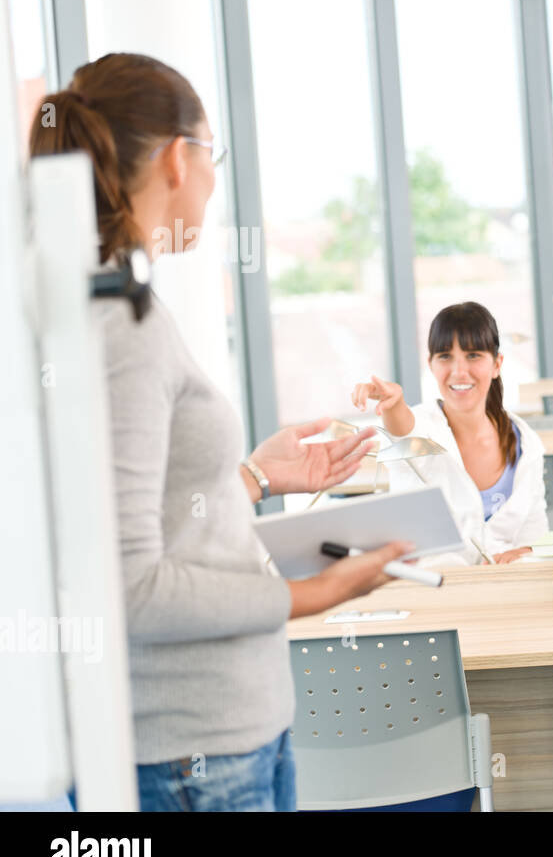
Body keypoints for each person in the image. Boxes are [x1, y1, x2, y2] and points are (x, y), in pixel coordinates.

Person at [30, 53, 413, 811]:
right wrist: (315, 594)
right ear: (180, 157)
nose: (214, 177)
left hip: (224, 737)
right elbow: (129, 588)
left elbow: (138, 517)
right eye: (213, 153)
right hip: (187, 752)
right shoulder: (119, 323)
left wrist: (253, 477)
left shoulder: (114, 304)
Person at [352, 302, 548, 565]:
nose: (459, 371)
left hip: (505, 592)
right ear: (430, 365)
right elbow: (404, 434)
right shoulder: (423, 427)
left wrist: (526, 553)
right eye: (445, 356)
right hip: (436, 588)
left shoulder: (526, 443)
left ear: (497, 364)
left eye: (473, 355)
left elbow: (536, 540)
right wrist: (394, 404)